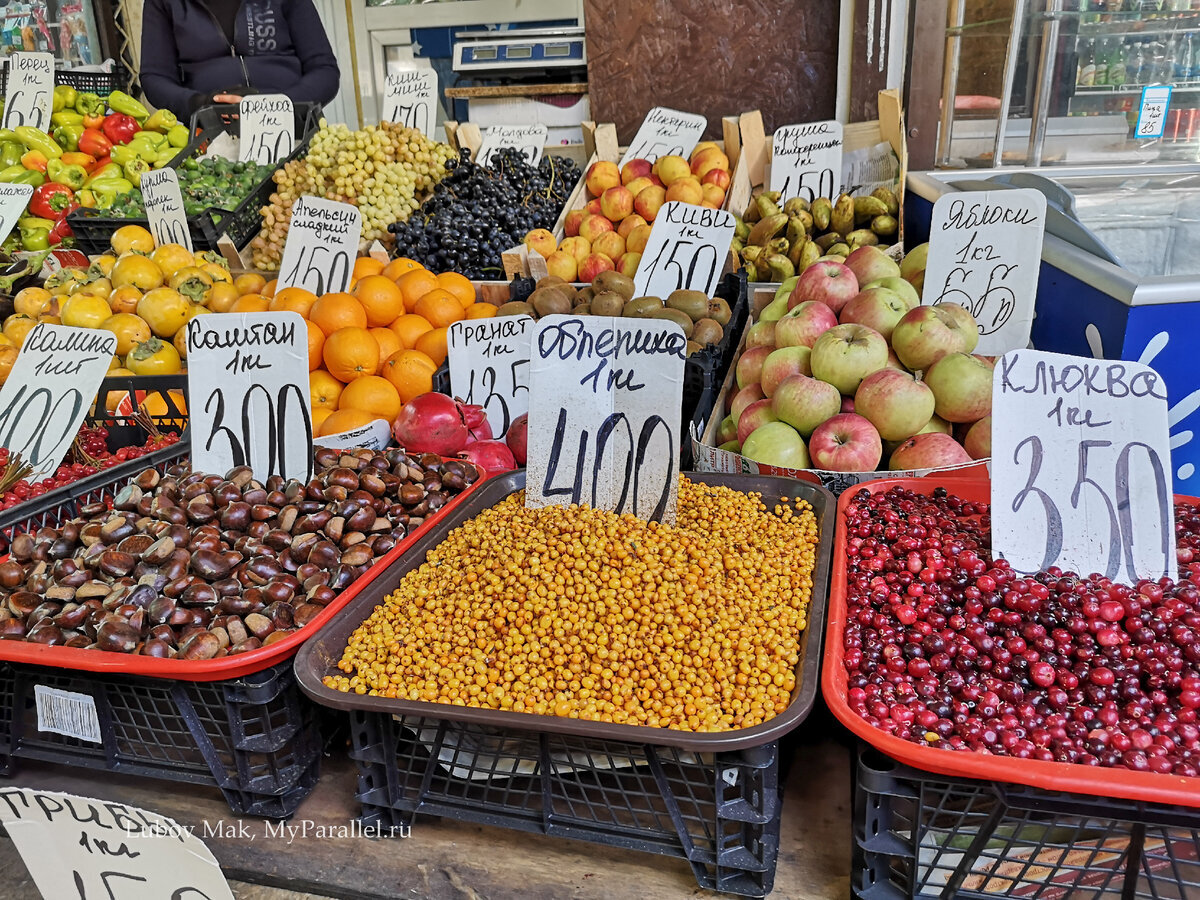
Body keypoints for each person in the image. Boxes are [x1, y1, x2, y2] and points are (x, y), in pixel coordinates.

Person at [139, 0, 340, 120]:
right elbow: (155, 77)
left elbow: (324, 70)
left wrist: (279, 105)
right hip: (211, 136)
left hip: (295, 123)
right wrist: (200, 105)